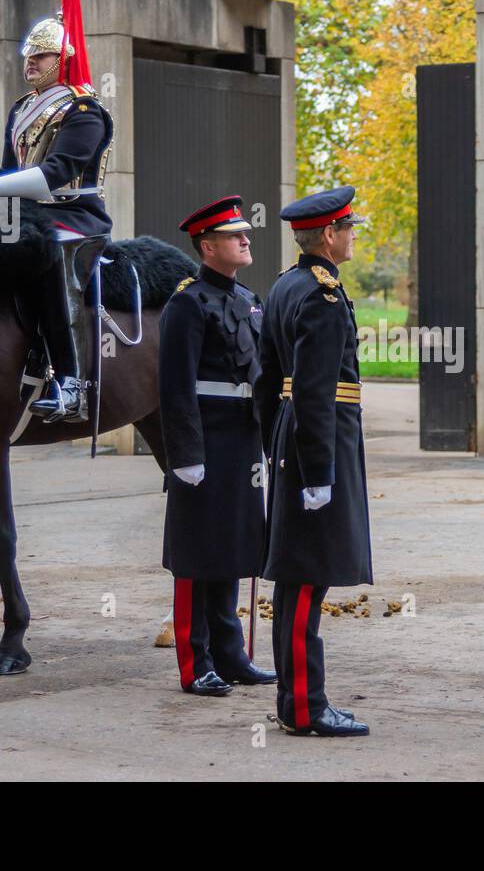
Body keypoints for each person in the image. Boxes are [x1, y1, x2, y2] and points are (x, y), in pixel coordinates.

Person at [0, 0, 113, 423]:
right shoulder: (19, 107)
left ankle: (69, 383)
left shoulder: (84, 110)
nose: (30, 61)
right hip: (26, 210)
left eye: (41, 54)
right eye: (28, 55)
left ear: (63, 57)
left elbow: (56, 173)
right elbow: (13, 171)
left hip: (76, 214)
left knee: (49, 256)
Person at [254, 186, 373, 738]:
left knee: (297, 583)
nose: (352, 236)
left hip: (289, 441)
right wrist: (319, 473)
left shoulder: (284, 287)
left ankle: (294, 701)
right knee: (305, 582)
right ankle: (305, 707)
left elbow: (265, 383)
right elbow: (315, 390)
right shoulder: (321, 297)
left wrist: (272, 446)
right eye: (348, 228)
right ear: (328, 235)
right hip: (315, 445)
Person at [158, 196, 276, 696]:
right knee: (196, 555)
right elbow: (175, 386)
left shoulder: (249, 300)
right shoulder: (187, 303)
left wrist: (272, 443)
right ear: (208, 246)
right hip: (204, 441)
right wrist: (185, 456)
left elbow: (264, 379)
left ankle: (232, 656)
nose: (245, 240)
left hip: (242, 437)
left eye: (244, 233)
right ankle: (195, 662)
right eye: (234, 236)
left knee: (232, 549)